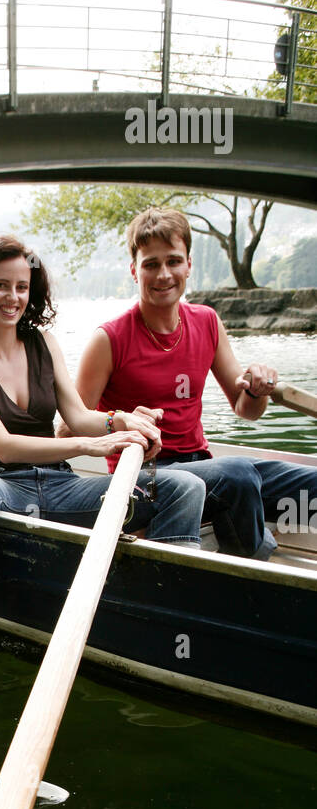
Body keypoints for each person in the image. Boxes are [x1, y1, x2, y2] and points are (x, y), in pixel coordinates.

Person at [0, 235, 206, 688]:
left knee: (184, 485)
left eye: (22, 287)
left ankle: (164, 617)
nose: (13, 297)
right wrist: (86, 447)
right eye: (2, 286)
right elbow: (3, 446)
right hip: (1, 487)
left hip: (60, 485)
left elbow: (77, 415)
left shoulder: (42, 343)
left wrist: (122, 422)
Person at [71, 206, 317, 561]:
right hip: (146, 478)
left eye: (173, 261)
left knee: (309, 484)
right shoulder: (109, 339)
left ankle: (250, 538)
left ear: (189, 264)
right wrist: (120, 420)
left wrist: (256, 388)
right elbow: (68, 428)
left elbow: (245, 410)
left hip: (206, 466)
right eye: (151, 264)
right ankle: (257, 569)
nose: (164, 274)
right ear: (133, 270)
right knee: (239, 474)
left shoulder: (207, 321)